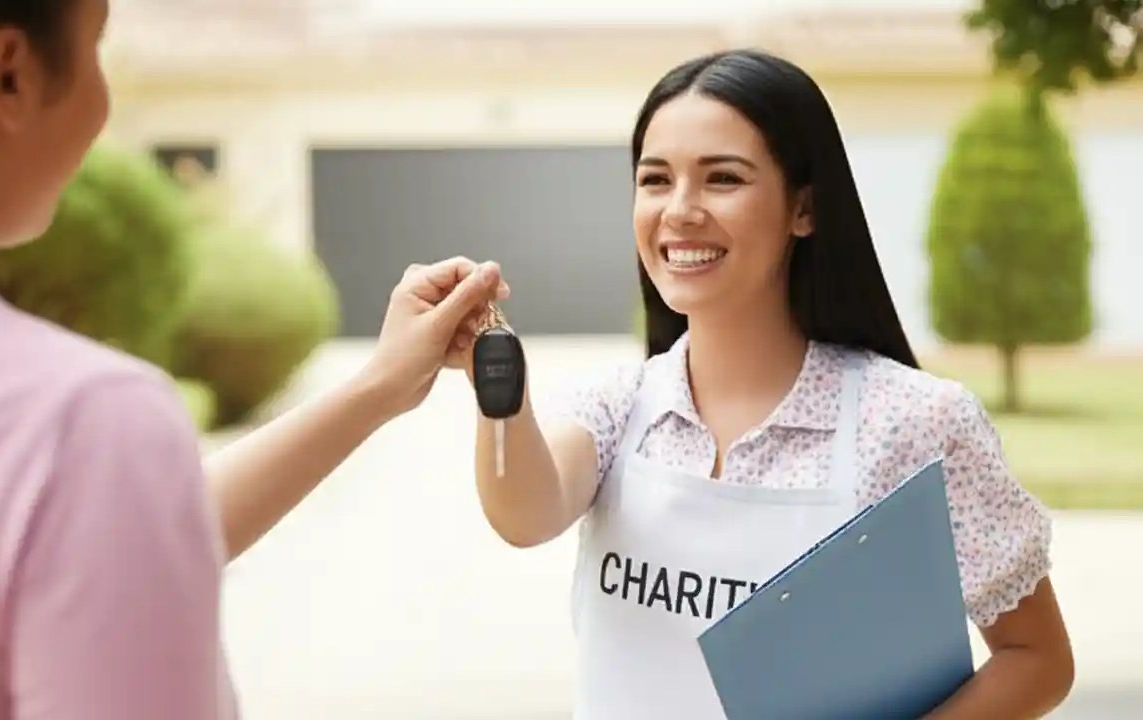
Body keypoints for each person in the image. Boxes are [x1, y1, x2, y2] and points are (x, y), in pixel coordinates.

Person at [0, 1, 504, 719]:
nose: (103, 106)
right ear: (8, 76)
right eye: (95, 48)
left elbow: (112, 548)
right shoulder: (76, 423)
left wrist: (377, 388)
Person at [461, 49, 1075, 718]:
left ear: (804, 208)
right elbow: (524, 513)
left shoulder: (912, 422)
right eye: (656, 180)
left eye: (723, 178)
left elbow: (1036, 659)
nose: (681, 210)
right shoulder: (620, 404)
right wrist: (497, 383)